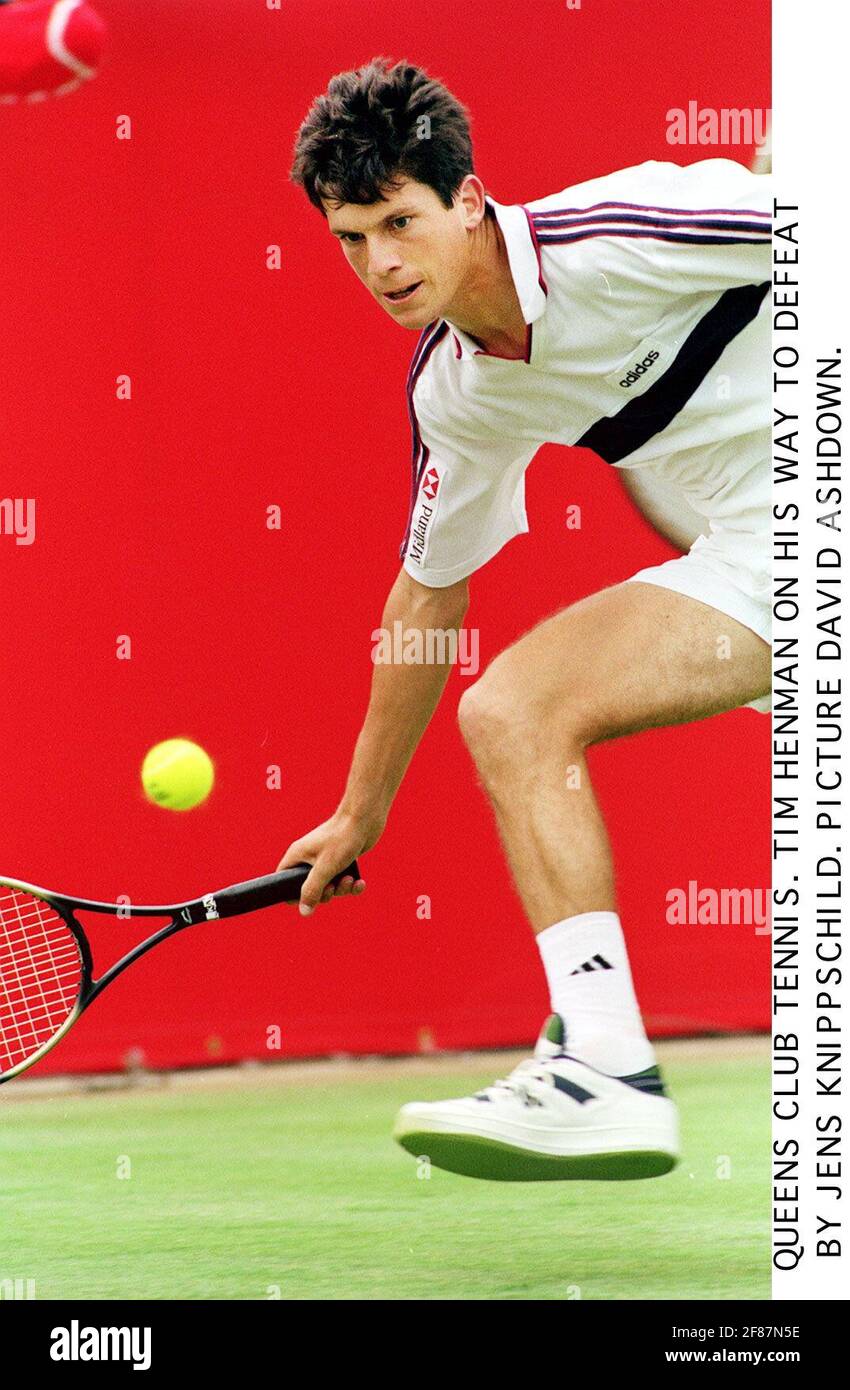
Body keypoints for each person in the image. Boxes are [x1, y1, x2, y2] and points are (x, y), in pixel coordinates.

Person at [279, 58, 771, 1181]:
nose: (383, 264)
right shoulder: (459, 389)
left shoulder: (631, 226)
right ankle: (605, 1068)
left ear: (468, 199)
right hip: (761, 555)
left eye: (400, 221)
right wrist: (361, 811)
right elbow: (427, 594)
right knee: (511, 712)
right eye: (351, 238)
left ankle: (601, 1064)